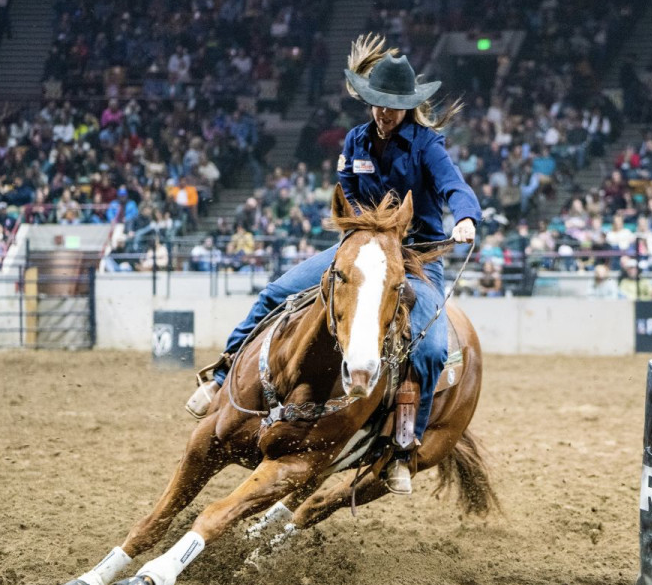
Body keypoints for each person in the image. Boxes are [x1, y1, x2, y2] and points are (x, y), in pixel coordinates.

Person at [186, 36, 481, 496]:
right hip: (359, 250)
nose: (384, 113)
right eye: (378, 103)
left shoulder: (427, 145)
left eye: (393, 106)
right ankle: (221, 376)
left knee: (428, 350)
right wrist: (365, 237)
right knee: (275, 293)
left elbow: (453, 185)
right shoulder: (356, 140)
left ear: (408, 107)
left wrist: (465, 216)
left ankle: (403, 446)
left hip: (415, 259)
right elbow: (347, 192)